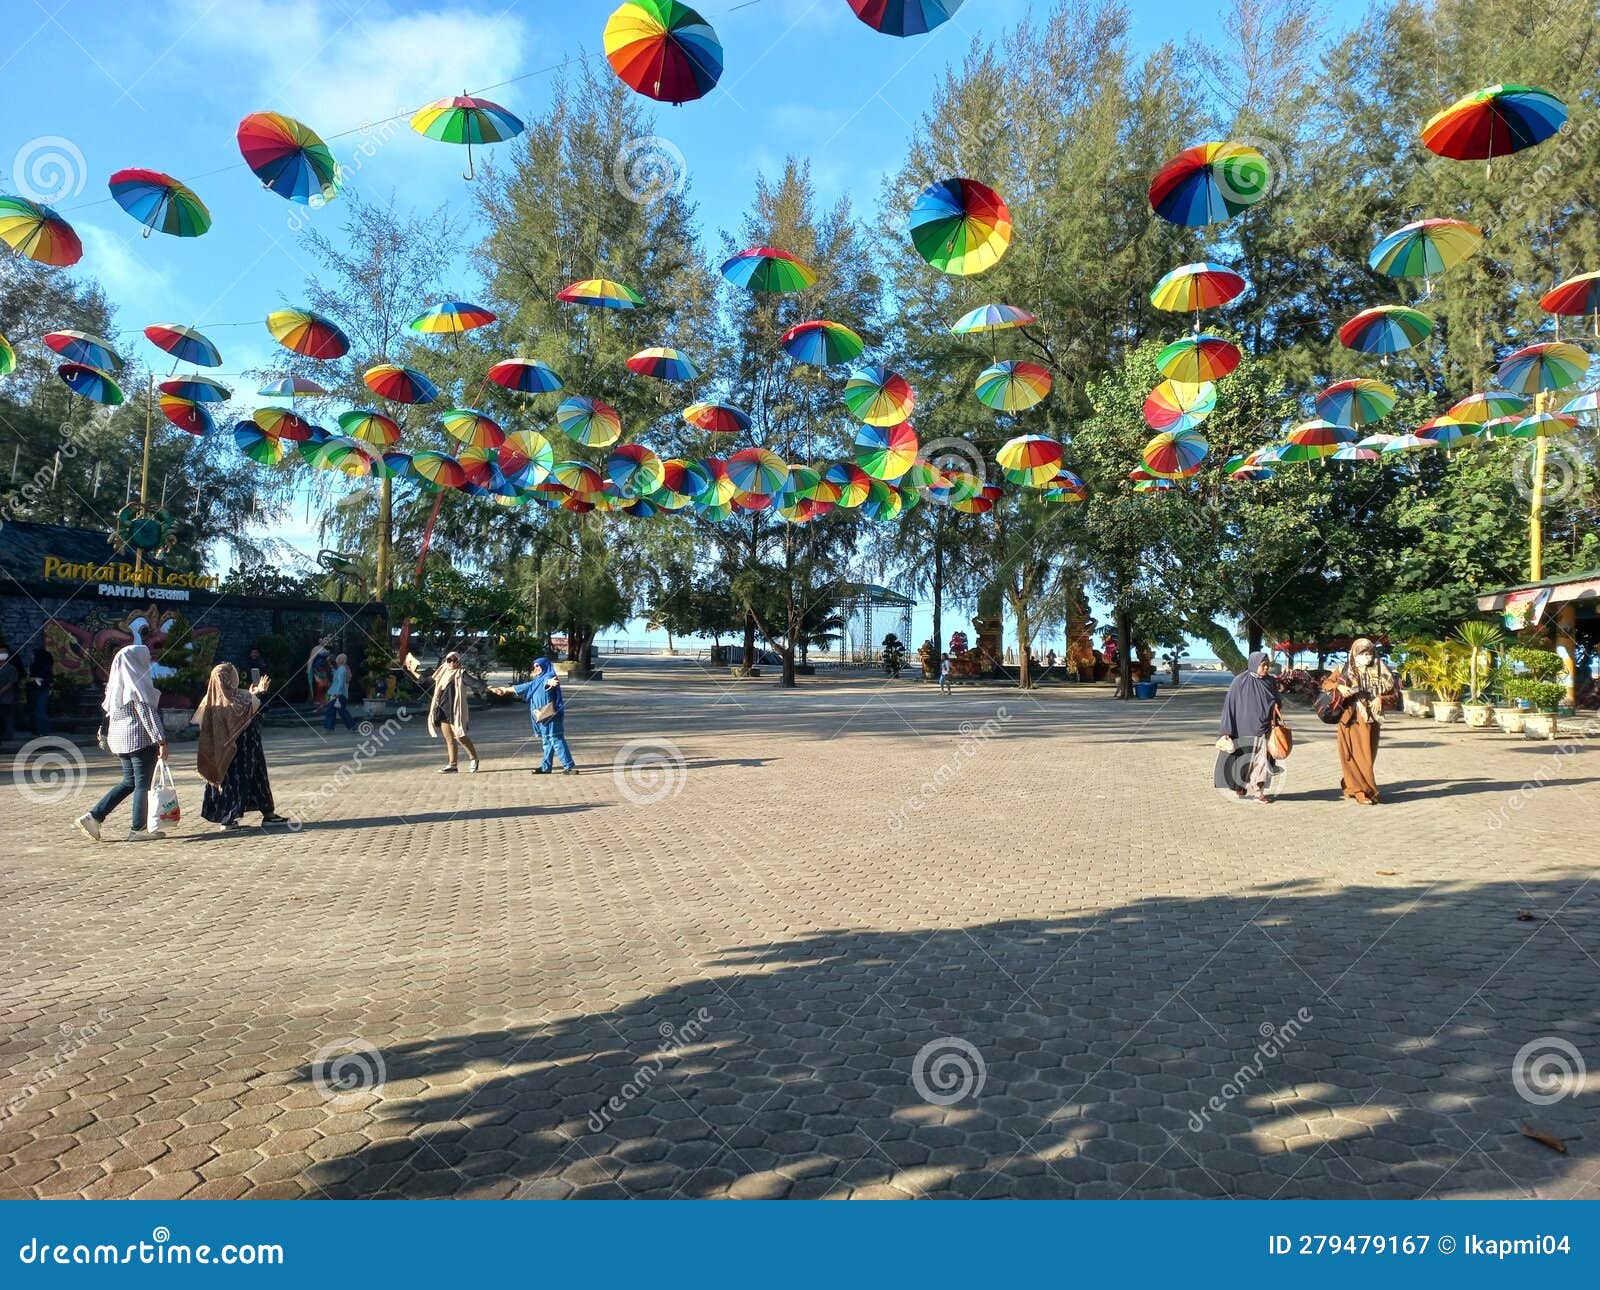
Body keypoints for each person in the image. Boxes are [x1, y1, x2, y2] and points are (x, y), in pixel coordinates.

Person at [74, 643, 169, 842]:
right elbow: (147, 715)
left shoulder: (115, 686)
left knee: (129, 782)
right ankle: (138, 829)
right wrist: (161, 741)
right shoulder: (137, 684)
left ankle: (94, 816)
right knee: (143, 784)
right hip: (141, 741)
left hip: (121, 742)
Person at [196, 663, 288, 831]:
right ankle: (228, 819)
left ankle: (269, 814)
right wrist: (260, 692)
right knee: (236, 783)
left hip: (238, 749)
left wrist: (252, 694)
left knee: (258, 778)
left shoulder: (211, 699)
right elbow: (258, 707)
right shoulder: (237, 698)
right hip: (240, 751)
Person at [1324, 638, 1398, 806]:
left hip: (1372, 720)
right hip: (1350, 719)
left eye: (1369, 653)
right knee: (1352, 755)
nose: (1366, 656)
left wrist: (1380, 698)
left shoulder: (1381, 669)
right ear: (1354, 654)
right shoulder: (1344, 668)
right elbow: (1326, 684)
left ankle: (1351, 784)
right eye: (1362, 653)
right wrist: (1339, 687)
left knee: (1368, 757)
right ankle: (1363, 791)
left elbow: (1395, 695)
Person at [1215, 651, 1282, 803]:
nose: (1266, 668)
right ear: (1254, 664)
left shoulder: (1270, 681)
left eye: (1267, 665)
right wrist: (1226, 730)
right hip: (1243, 728)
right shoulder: (1239, 681)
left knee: (1262, 762)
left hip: (1265, 729)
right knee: (1242, 761)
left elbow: (1277, 700)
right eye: (1263, 665)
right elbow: (1229, 707)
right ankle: (1239, 786)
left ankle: (1259, 793)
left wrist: (1276, 706)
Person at [495, 657, 575, 774]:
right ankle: (546, 768)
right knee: (547, 742)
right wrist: (505, 690)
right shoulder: (537, 681)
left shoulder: (548, 676)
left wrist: (550, 683)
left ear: (544, 666)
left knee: (556, 740)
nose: (535, 668)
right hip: (542, 716)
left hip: (551, 716)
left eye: (538, 665)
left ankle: (568, 766)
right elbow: (523, 687)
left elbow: (548, 681)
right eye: (534, 666)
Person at [427, 651, 478, 773]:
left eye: (454, 660)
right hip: (442, 709)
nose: (451, 663)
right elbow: (427, 680)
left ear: (459, 661)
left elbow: (474, 683)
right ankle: (452, 765)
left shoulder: (461, 674)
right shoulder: (442, 673)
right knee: (449, 739)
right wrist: (412, 671)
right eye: (449, 660)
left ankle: (474, 759)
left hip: (455, 710)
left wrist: (488, 688)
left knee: (460, 736)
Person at [323, 653, 359, 731]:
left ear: (340, 660)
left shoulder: (342, 669)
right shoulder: (338, 669)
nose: (337, 659)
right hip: (336, 693)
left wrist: (338, 693)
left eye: (338, 658)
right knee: (339, 711)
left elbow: (340, 683)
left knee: (332, 710)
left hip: (338, 694)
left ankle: (329, 727)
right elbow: (335, 681)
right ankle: (352, 725)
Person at [28, 646, 54, 736]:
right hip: (35, 690)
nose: (31, 656)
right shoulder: (34, 665)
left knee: (40, 710)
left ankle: (42, 730)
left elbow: (46, 679)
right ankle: (38, 730)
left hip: (41, 690)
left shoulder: (44, 667)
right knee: (36, 711)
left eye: (32, 654)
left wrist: (35, 680)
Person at [305, 638, 333, 712]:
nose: (326, 641)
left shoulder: (327, 650)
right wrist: (308, 669)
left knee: (326, 686)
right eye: (324, 640)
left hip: (323, 670)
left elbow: (327, 661)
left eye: (327, 640)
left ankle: (322, 703)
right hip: (316, 669)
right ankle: (317, 703)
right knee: (319, 686)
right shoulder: (315, 648)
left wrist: (331, 667)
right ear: (320, 640)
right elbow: (311, 659)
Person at [0, 646, 18, 745]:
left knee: (7, 716)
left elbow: (11, 682)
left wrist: (2, 690)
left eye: (3, 652)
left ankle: (8, 735)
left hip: (7, 697)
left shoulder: (11, 668)